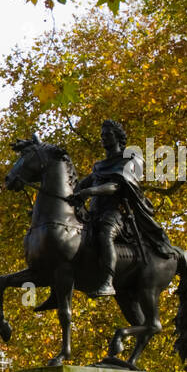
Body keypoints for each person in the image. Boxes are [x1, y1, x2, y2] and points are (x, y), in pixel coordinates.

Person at [67, 119, 171, 297]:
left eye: (107, 135)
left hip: (115, 213)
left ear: (118, 138)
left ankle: (107, 281)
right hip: (94, 213)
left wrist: (89, 191)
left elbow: (115, 186)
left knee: (105, 234)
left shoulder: (129, 159)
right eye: (102, 136)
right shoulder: (99, 166)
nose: (103, 139)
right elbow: (80, 185)